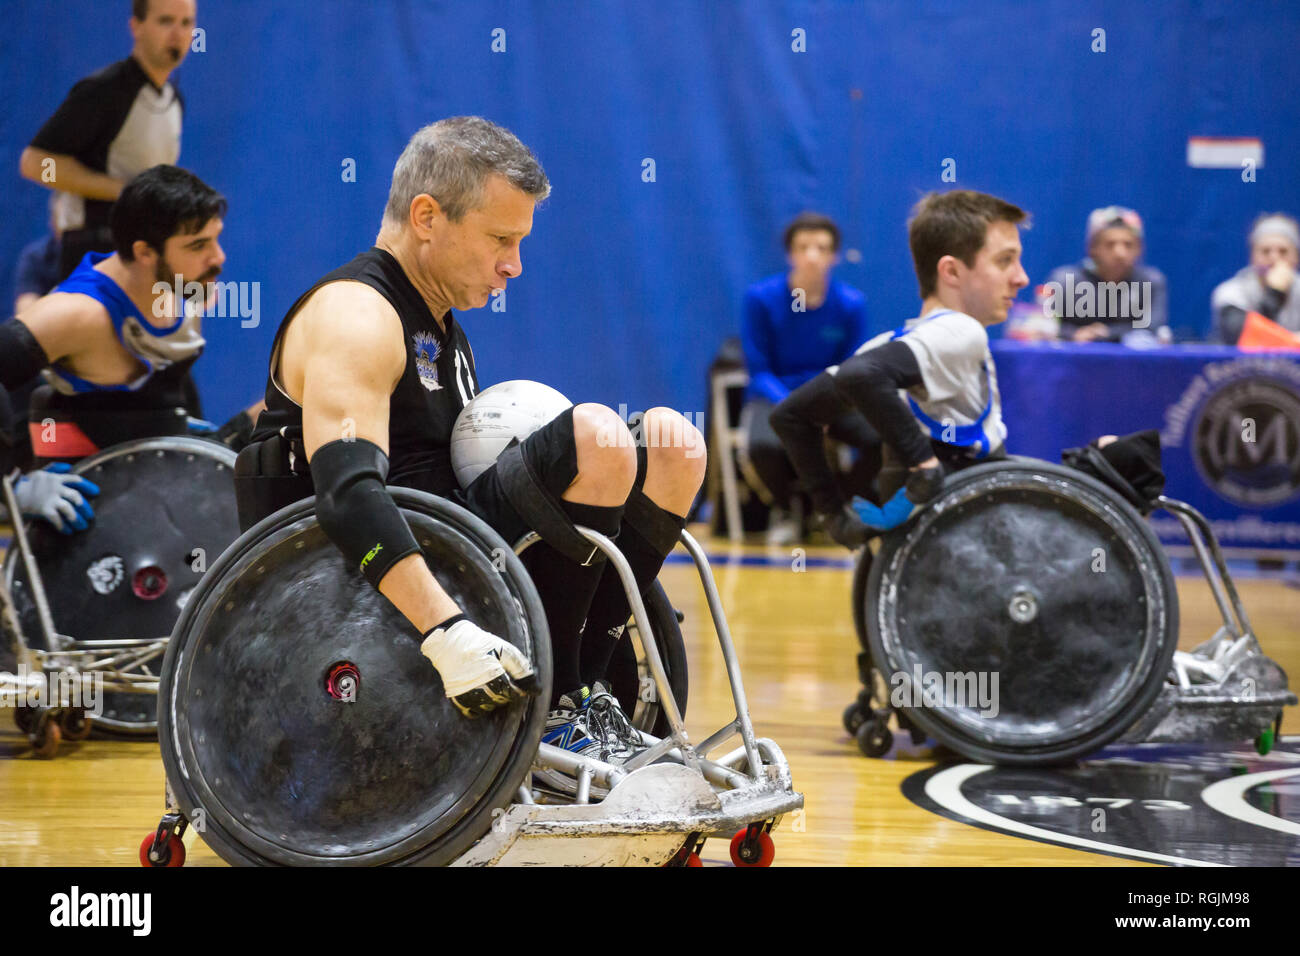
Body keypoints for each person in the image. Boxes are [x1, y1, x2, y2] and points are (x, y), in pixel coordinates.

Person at [237, 117, 706, 786]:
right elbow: (345, 496)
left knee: (674, 443)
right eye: (501, 240)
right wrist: (445, 630)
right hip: (367, 586)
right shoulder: (357, 314)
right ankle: (562, 702)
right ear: (427, 216)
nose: (513, 265)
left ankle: (590, 694)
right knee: (597, 435)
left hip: (464, 543)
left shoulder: (443, 328)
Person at [771, 190, 1026, 546]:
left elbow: (790, 416)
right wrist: (925, 467)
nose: (1021, 278)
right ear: (951, 271)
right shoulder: (962, 330)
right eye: (1005, 261)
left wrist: (834, 516)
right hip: (970, 523)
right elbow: (860, 376)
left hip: (923, 531)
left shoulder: (886, 344)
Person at [0, 165, 225, 464]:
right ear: (145, 253)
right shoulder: (76, 314)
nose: (218, 257)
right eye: (198, 245)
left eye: (215, 238)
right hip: (82, 496)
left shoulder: (189, 288)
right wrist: (14, 484)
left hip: (154, 480)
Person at [19, 0, 195, 281]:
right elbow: (36, 163)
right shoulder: (104, 91)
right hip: (94, 251)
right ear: (136, 27)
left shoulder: (174, 100)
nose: (178, 33)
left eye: (186, 23)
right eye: (165, 21)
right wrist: (122, 189)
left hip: (144, 252)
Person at [738, 212, 879, 544]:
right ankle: (791, 509)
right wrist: (795, 408)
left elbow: (851, 367)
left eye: (822, 247)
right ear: (791, 254)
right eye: (804, 247)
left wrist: (826, 405)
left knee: (882, 437)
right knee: (762, 446)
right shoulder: (760, 299)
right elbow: (759, 370)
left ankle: (832, 507)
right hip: (777, 395)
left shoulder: (851, 304)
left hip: (830, 395)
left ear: (835, 256)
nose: (813, 255)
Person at [1039, 206, 1169, 345]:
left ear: (1139, 249)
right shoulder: (1063, 280)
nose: (1120, 253)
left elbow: (1153, 327)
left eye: (1128, 245)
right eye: (1110, 244)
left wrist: (1105, 333)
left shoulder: (1151, 281)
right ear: (1092, 248)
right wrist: (1073, 334)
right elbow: (1043, 324)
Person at [1210, 213, 1300, 344]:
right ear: (1252, 257)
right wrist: (1275, 292)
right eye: (1265, 251)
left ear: (1296, 257)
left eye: (1283, 251)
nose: (1274, 258)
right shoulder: (1230, 293)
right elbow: (1247, 338)